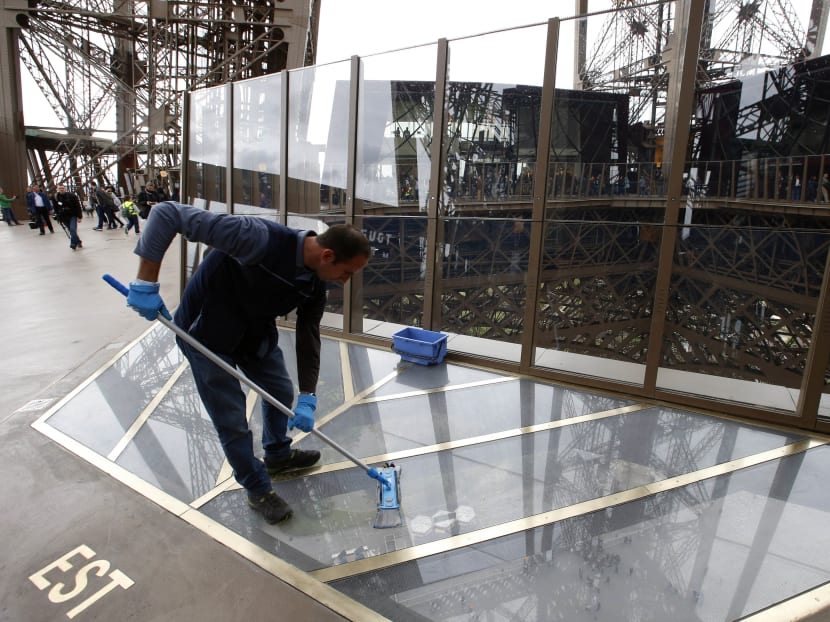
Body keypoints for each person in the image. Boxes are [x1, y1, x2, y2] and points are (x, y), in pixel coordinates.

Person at [125, 201, 371, 524]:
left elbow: (308, 334)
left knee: (280, 391)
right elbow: (166, 214)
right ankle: (257, 489)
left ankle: (278, 455)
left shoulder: (314, 285)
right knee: (233, 421)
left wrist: (308, 396)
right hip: (206, 335)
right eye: (347, 272)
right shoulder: (257, 238)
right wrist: (146, 281)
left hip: (253, 332)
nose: (345, 281)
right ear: (327, 256)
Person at [54, 183, 84, 250]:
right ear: (57, 189)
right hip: (63, 217)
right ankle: (78, 241)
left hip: (72, 215)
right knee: (71, 230)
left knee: (73, 229)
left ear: (65, 189)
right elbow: (56, 208)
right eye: (60, 188)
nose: (61, 189)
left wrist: (79, 216)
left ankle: (73, 243)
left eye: (62, 188)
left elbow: (78, 206)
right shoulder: (56, 197)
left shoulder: (72, 196)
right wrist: (57, 216)